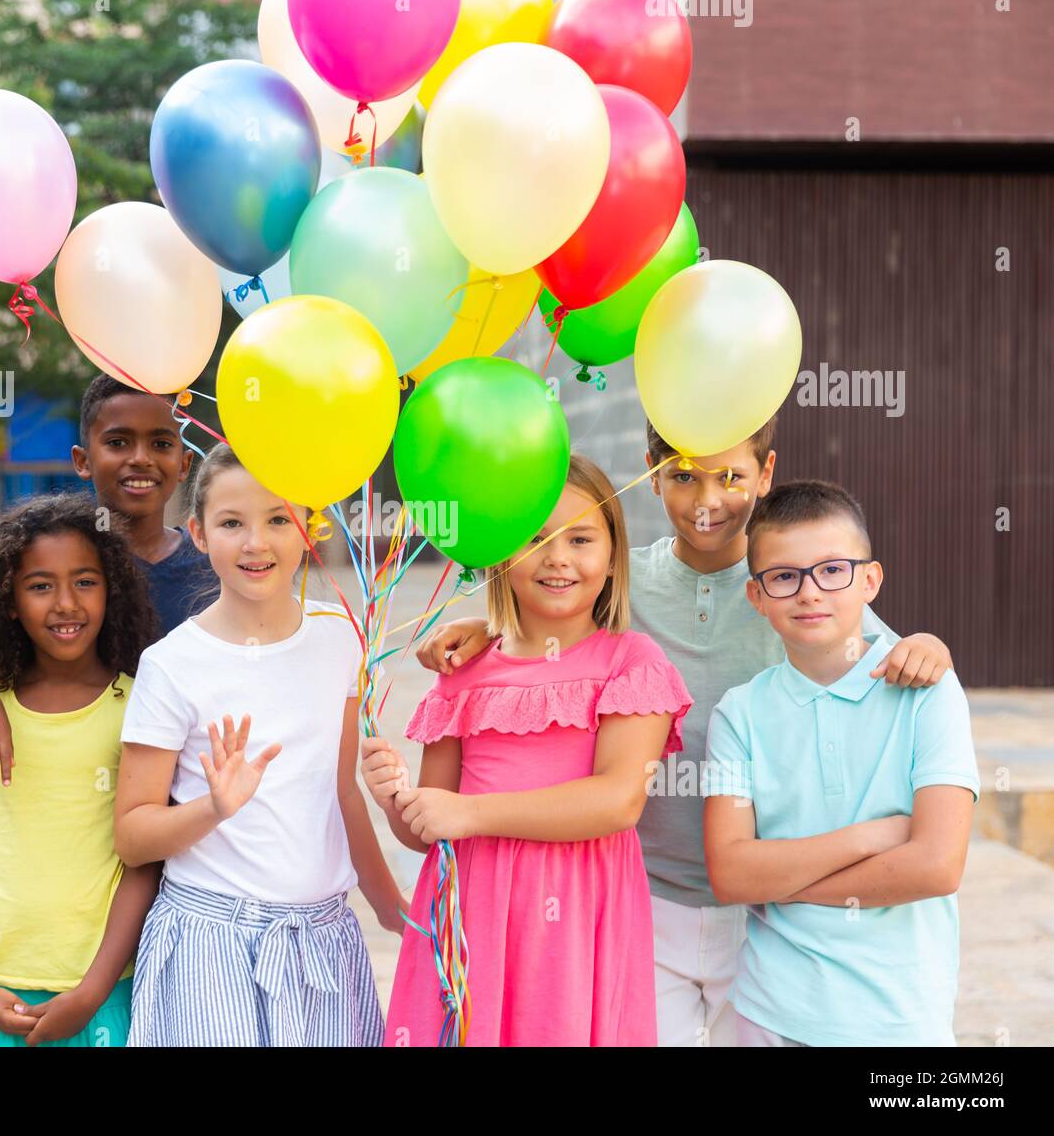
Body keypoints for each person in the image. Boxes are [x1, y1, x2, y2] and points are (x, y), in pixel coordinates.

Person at [412, 419, 955, 1045]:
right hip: (641, 891)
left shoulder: (788, 582)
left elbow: (873, 639)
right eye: (682, 477)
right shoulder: (623, 578)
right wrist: (486, 629)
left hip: (764, 901)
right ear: (650, 472)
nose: (707, 501)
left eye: (732, 478)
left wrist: (928, 644)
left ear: (766, 474)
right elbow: (553, 608)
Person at [364, 453, 692, 1046]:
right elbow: (431, 823)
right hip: (470, 916)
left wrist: (473, 813)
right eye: (534, 538)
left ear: (614, 556)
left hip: (573, 917)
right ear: (501, 553)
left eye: (581, 538)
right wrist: (394, 800)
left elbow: (618, 801)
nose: (558, 557)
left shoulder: (630, 663)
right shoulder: (462, 669)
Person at [113, 443, 404, 1046]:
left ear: (311, 526)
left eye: (278, 518)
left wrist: (390, 906)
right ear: (197, 532)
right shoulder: (170, 664)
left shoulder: (341, 637)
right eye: (230, 523)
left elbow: (341, 791)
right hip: (209, 943)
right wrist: (213, 808)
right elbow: (133, 834)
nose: (256, 543)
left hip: (323, 942)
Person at [703, 481, 978, 1046]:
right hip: (773, 1013)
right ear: (756, 596)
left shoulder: (929, 691)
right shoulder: (740, 713)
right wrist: (870, 838)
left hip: (900, 1020)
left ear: (870, 580)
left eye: (833, 570)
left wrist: (781, 881)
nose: (810, 593)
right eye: (784, 577)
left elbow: (935, 867)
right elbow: (731, 875)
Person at [0, 493, 161, 1046]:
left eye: (85, 581)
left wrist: (91, 992)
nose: (65, 604)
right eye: (39, 586)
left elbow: (142, 864)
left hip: (102, 1001)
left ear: (113, 590)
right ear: (8, 600)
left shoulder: (139, 708)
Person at [0, 375, 214, 793]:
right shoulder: (63, 568)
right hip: (80, 802)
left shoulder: (212, 573)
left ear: (184, 464)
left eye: (161, 444)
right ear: (82, 460)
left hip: (190, 810)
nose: (141, 458)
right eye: (118, 442)